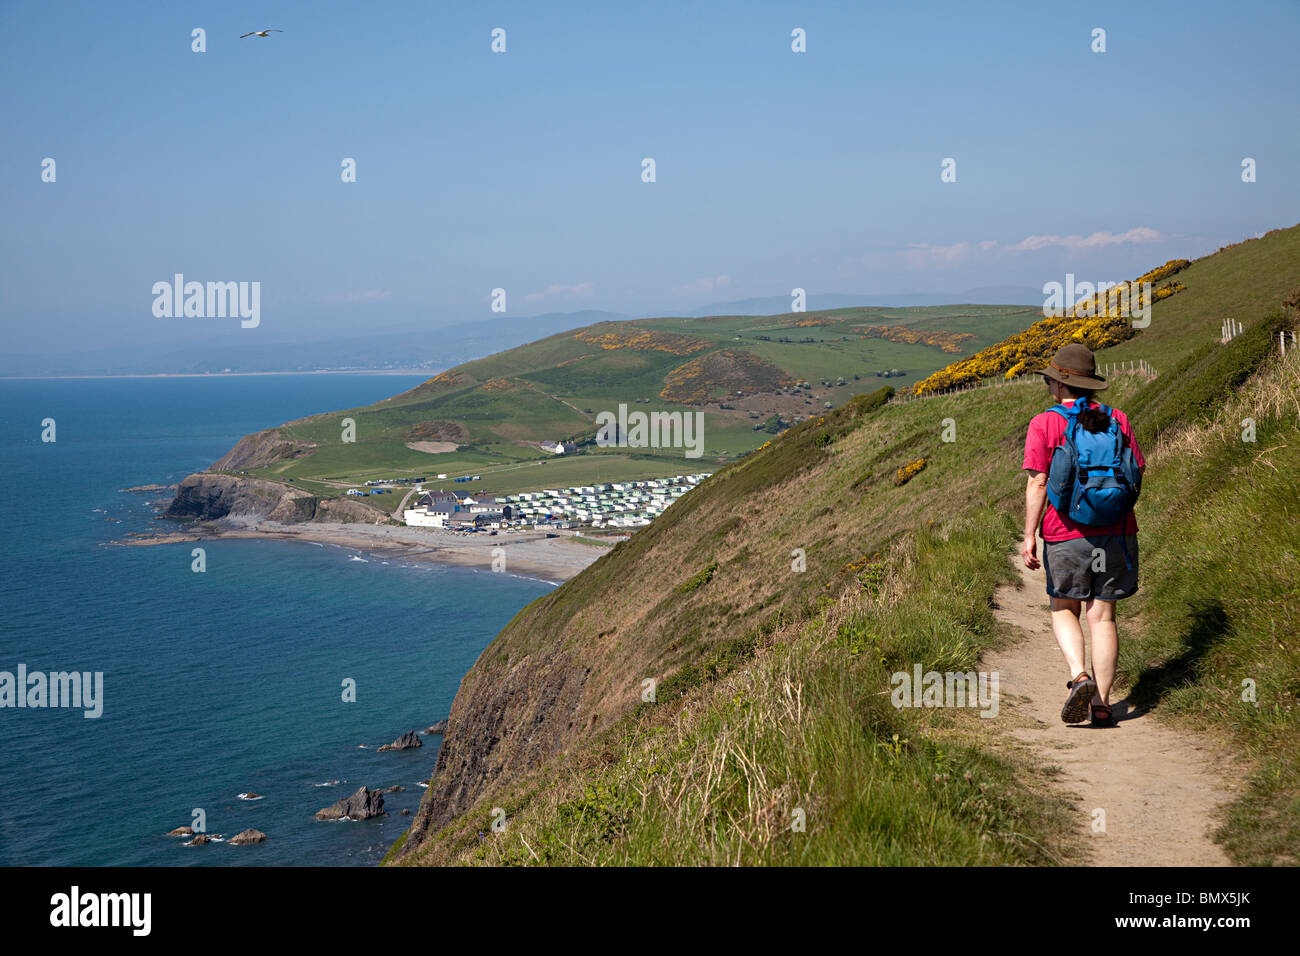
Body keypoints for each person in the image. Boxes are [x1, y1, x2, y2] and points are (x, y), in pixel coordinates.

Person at [1020, 344, 1145, 727]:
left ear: (1060, 385)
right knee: (1103, 617)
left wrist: (1029, 535)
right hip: (1117, 533)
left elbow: (1039, 484)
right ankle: (1103, 704)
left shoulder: (1045, 423)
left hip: (1065, 533)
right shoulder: (1118, 419)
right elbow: (1137, 471)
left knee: (1063, 608)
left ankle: (1079, 677)